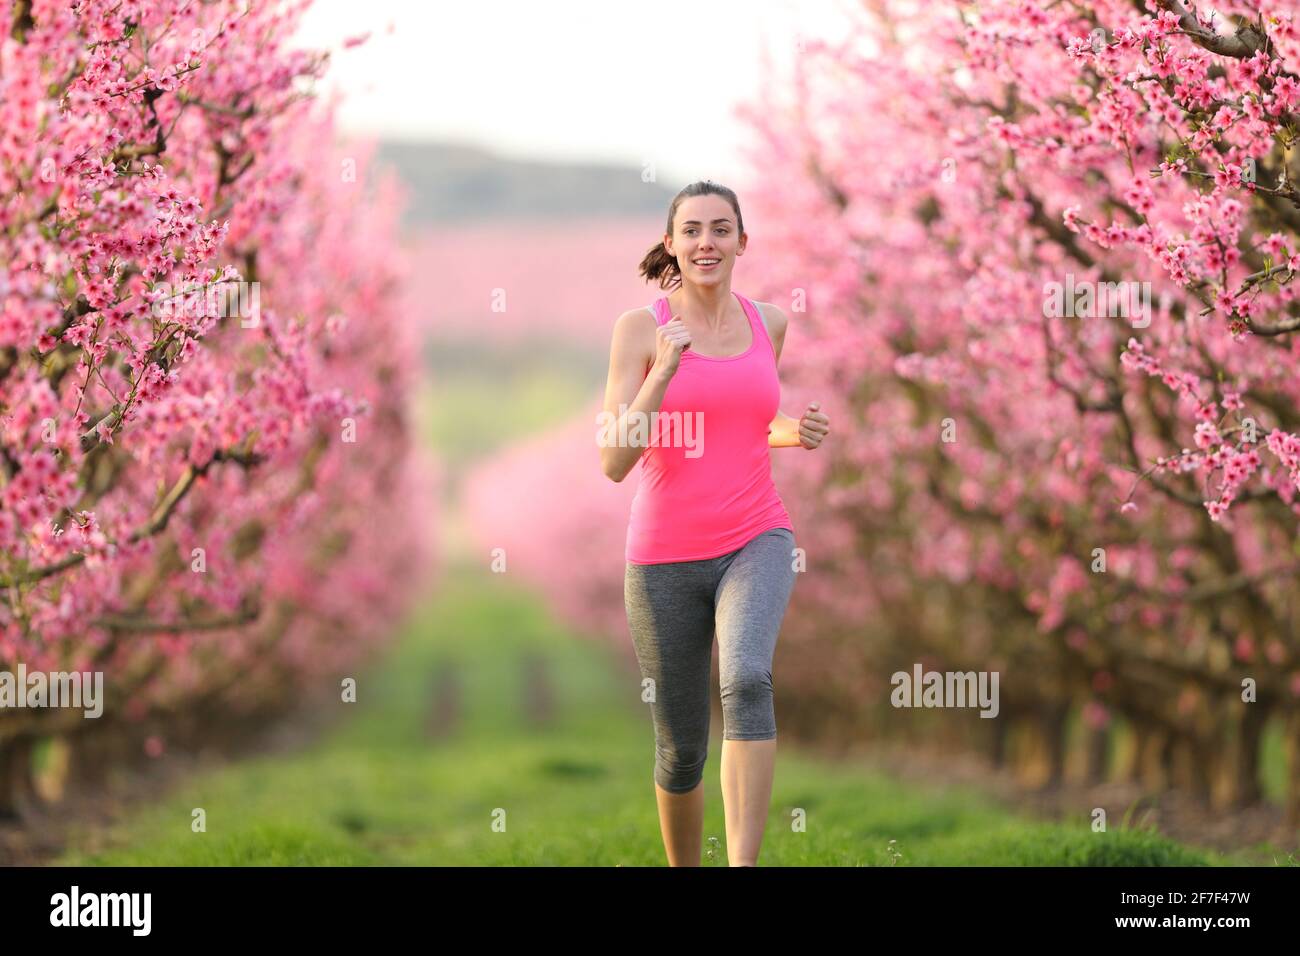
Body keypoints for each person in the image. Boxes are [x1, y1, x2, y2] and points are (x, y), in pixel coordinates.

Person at [599, 180, 830, 866]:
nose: (707, 242)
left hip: (757, 535)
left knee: (747, 679)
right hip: (664, 556)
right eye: (692, 230)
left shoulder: (771, 324)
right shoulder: (639, 330)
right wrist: (663, 371)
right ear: (671, 243)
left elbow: (746, 425)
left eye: (721, 229)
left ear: (741, 243)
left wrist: (796, 431)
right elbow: (615, 458)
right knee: (680, 746)